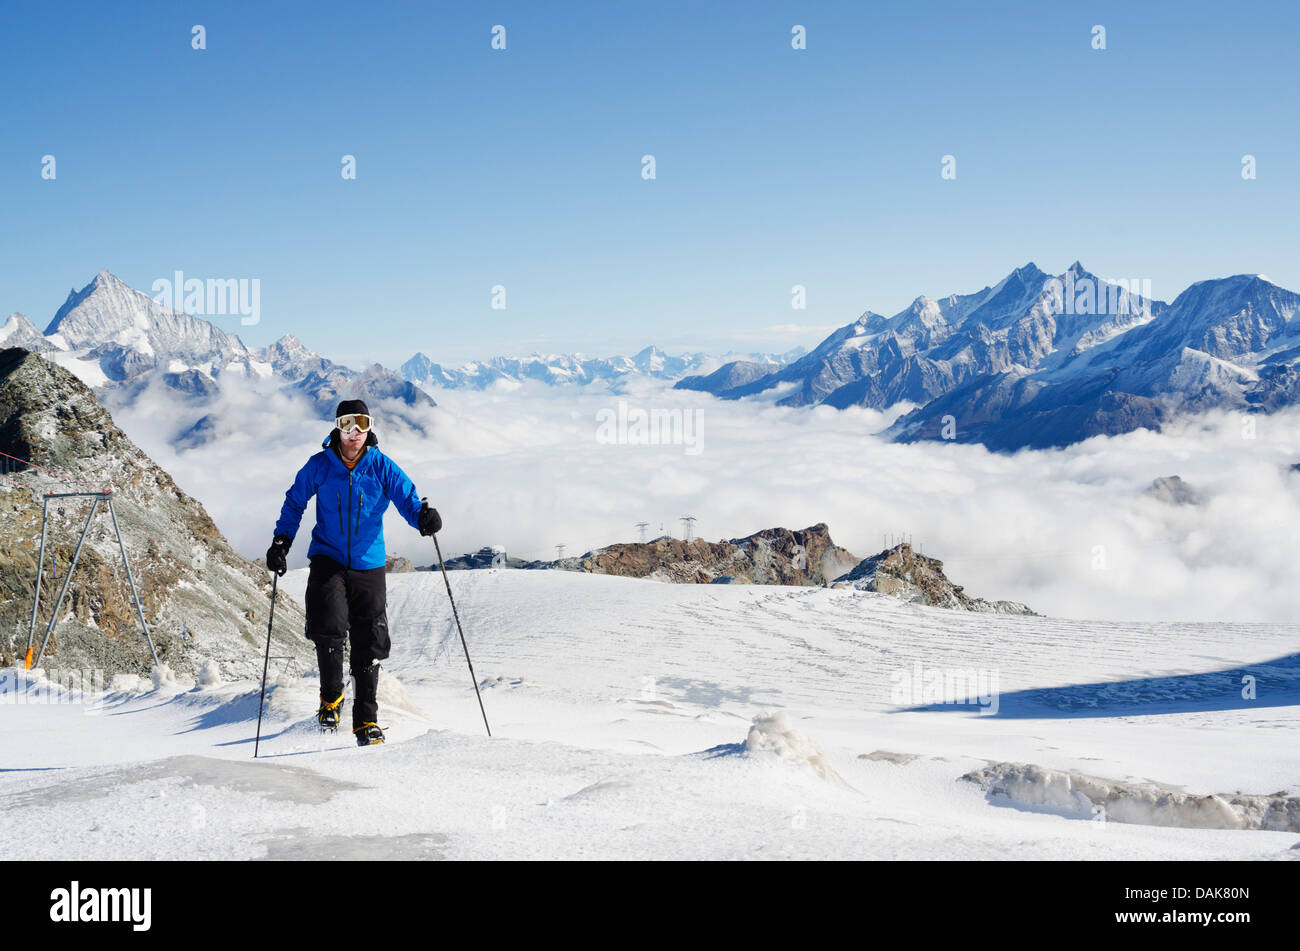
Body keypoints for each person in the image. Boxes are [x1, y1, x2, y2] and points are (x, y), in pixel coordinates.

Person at [266, 399, 441, 746]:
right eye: (348, 424)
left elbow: (407, 497)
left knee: (370, 642)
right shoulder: (319, 466)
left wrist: (422, 518)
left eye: (361, 424)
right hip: (328, 558)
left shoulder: (381, 467)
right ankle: (330, 700)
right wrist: (282, 541)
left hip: (368, 563)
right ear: (337, 427)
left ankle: (366, 721)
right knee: (328, 627)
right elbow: (295, 501)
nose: (355, 433)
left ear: (370, 427)